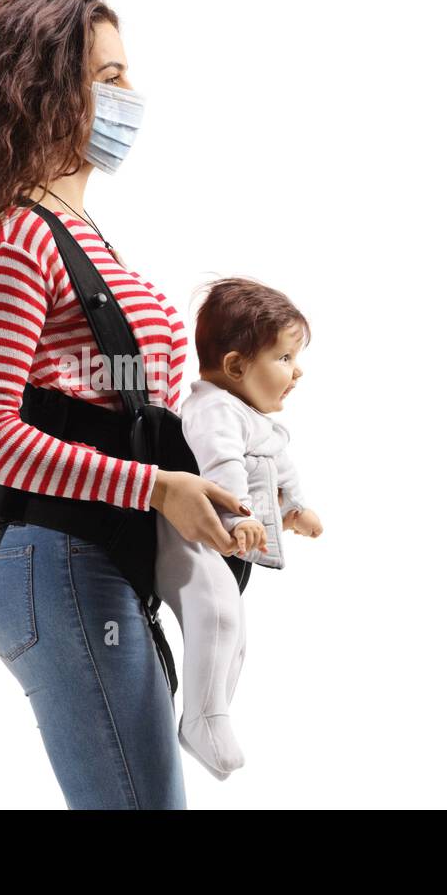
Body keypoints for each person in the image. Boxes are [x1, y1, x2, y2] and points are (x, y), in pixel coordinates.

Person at [0, 0, 248, 809]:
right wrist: (157, 487)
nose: (128, 98)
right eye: (109, 75)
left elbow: (129, 407)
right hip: (63, 561)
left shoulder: (79, 236)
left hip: (98, 562)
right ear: (43, 88)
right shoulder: (19, 237)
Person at [156, 277, 324, 780]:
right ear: (234, 366)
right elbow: (222, 464)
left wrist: (294, 507)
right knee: (218, 616)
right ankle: (204, 716)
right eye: (284, 359)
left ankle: (210, 715)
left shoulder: (252, 416)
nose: (297, 372)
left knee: (235, 633)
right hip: (188, 540)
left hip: (219, 544)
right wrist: (238, 515)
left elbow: (278, 466)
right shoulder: (213, 410)